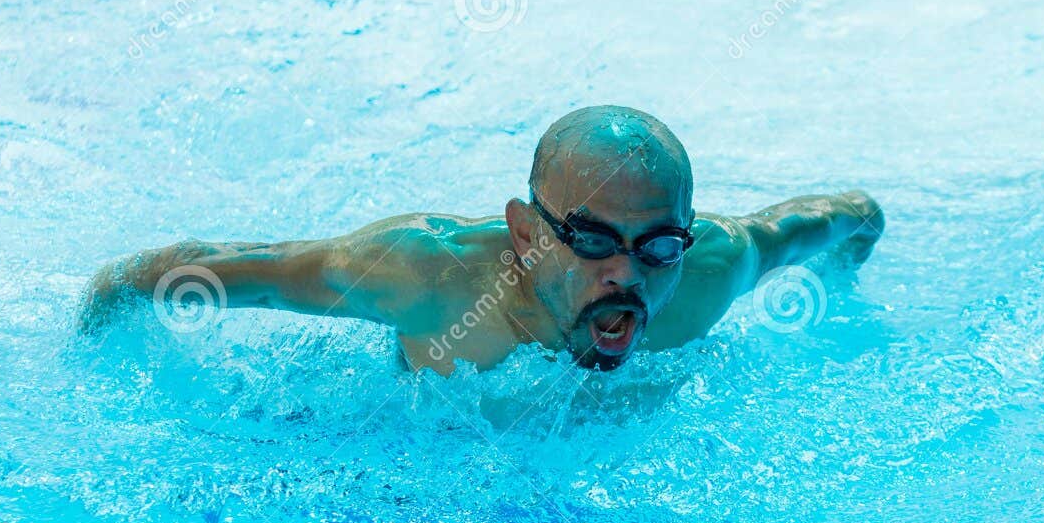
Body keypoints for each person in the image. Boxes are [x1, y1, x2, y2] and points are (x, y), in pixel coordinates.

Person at [81, 105, 884, 375]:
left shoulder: (711, 269)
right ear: (528, 234)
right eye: (595, 240)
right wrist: (97, 322)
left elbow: (844, 217)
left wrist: (853, 286)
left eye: (657, 247)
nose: (626, 272)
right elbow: (233, 273)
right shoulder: (420, 276)